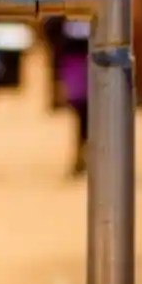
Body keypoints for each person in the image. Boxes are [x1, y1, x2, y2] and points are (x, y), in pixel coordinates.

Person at [48, 17, 90, 177]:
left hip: (90, 68)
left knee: (88, 118)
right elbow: (57, 49)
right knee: (82, 115)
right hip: (75, 70)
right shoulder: (61, 22)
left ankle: (85, 155)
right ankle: (81, 156)